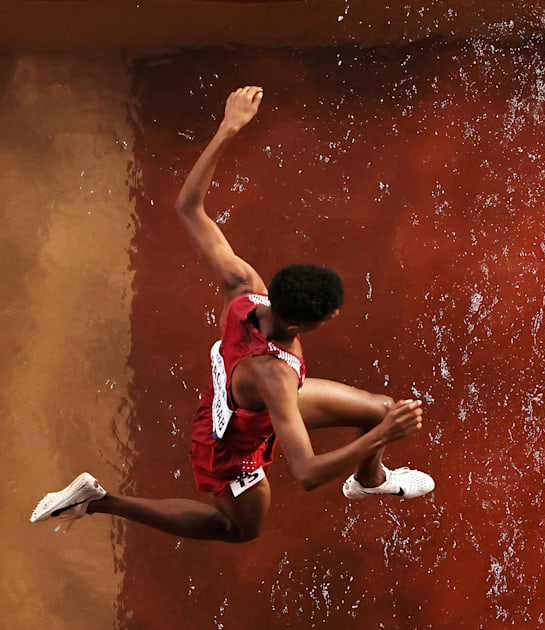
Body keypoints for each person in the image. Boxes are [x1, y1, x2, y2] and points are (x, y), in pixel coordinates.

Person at [31, 86, 434, 541]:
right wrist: (386, 436)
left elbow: (188, 207)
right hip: (230, 447)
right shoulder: (276, 379)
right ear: (300, 325)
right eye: (329, 317)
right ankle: (98, 502)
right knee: (239, 530)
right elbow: (306, 472)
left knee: (378, 409)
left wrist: (228, 129)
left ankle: (369, 483)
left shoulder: (246, 288)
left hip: (245, 402)